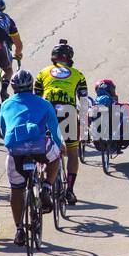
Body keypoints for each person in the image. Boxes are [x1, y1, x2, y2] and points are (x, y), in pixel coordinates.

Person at [0, 69, 64, 245]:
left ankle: (19, 229)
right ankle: (47, 186)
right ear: (31, 85)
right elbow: (55, 130)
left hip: (15, 148)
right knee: (55, 157)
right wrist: (60, 145)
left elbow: (3, 130)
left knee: (16, 190)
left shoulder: (5, 104)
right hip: (39, 146)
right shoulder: (43, 103)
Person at [34, 39, 87, 205]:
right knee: (72, 151)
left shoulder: (43, 72)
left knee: (42, 146)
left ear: (53, 58)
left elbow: (36, 99)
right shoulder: (78, 75)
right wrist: (83, 125)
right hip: (68, 113)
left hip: (46, 114)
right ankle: (69, 191)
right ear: (70, 58)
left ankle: (44, 182)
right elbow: (84, 103)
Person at [86, 78, 129, 153]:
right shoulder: (121, 105)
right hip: (120, 139)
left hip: (98, 140)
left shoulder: (93, 107)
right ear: (110, 90)